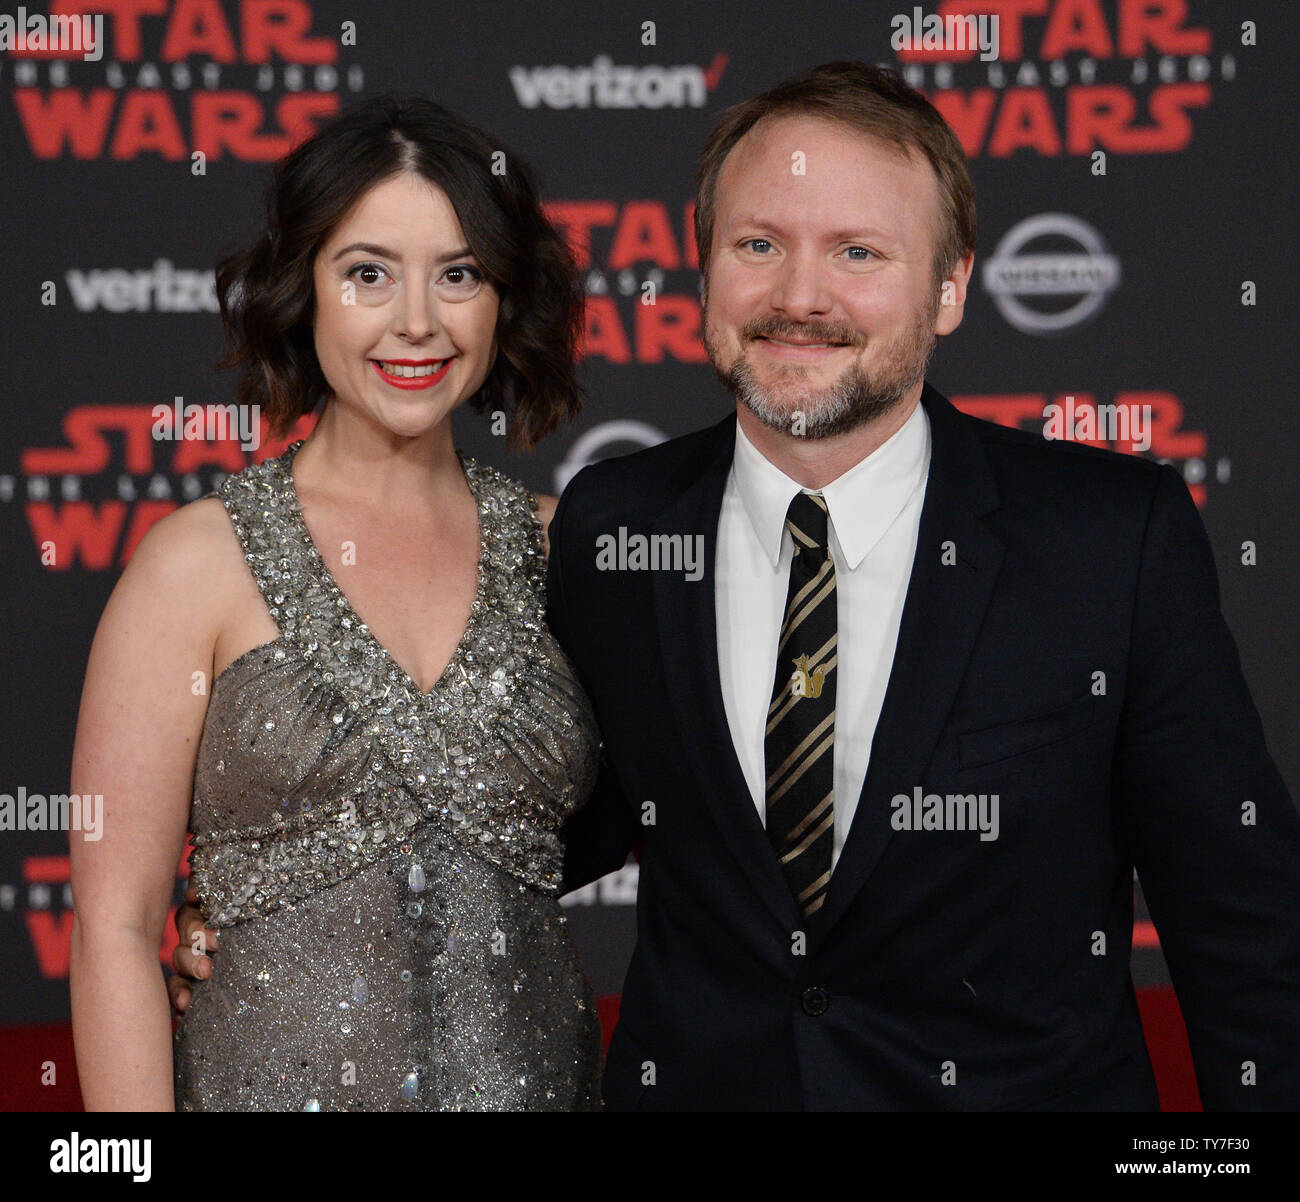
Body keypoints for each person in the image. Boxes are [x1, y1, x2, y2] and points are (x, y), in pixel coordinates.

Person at [174, 62, 1300, 1111]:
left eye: (859, 252)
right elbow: (534, 815)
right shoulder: (616, 525)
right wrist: (285, 912)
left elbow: (1241, 922)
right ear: (702, 266)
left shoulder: (1109, 540)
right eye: (759, 244)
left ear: (952, 286)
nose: (798, 295)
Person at [69, 94, 605, 1111]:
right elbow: (115, 928)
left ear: (506, 299)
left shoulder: (565, 548)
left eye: (459, 274)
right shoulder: (195, 561)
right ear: (301, 290)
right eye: (367, 273)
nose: (416, 321)